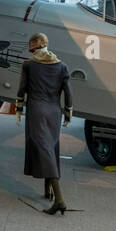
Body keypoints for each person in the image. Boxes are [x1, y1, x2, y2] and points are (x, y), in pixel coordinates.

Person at [15, 32, 73, 215]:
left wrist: (18, 109)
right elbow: (68, 93)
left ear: (35, 44)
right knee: (51, 146)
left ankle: (60, 200)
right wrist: (68, 112)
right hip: (54, 111)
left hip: (37, 110)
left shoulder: (29, 65)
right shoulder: (62, 66)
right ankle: (47, 191)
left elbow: (22, 89)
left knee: (44, 149)